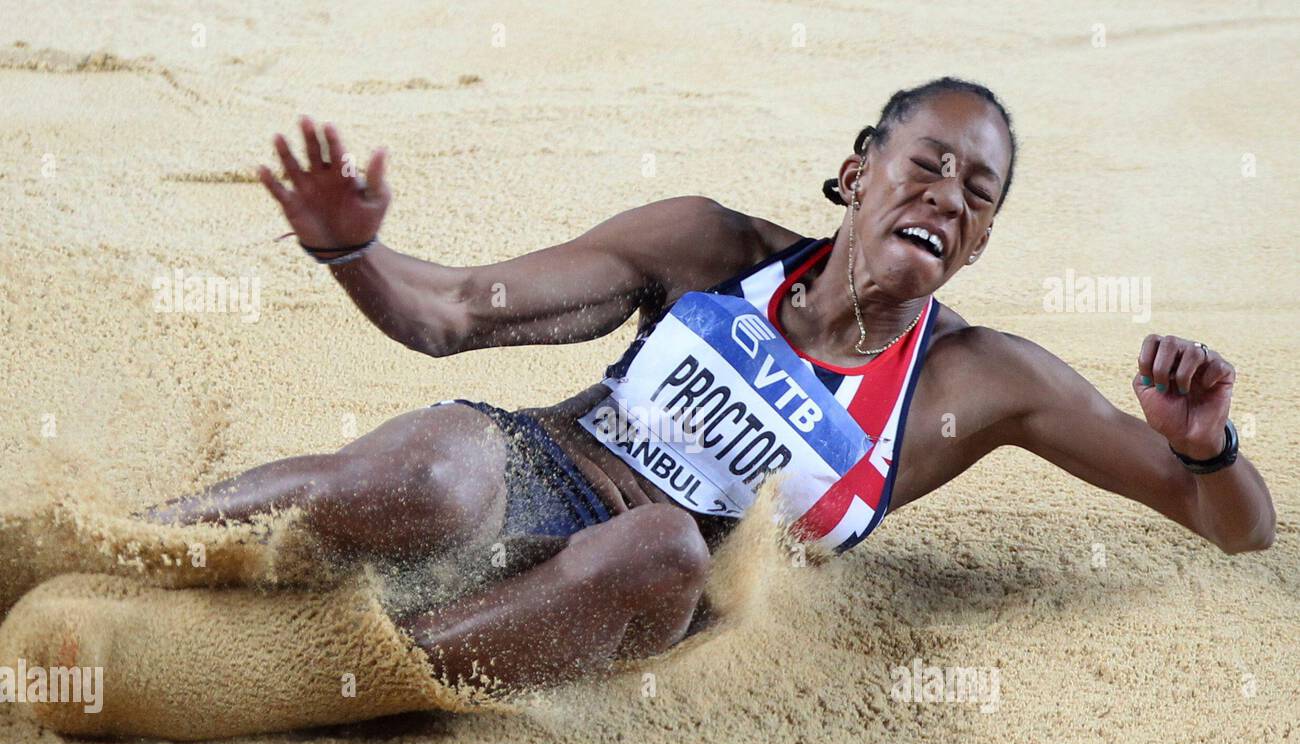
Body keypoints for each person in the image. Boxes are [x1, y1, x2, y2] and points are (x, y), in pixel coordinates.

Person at [147, 77, 1275, 695]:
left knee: (669, 550)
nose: (945, 194)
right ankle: (132, 542)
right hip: (536, 469)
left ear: (977, 245)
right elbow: (450, 314)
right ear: (853, 174)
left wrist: (1202, 444)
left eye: (977, 192)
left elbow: (1231, 527)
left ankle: (316, 676)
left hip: (640, 591)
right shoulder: (709, 247)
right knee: (440, 480)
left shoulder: (979, 381)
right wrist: (352, 252)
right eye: (924, 161)